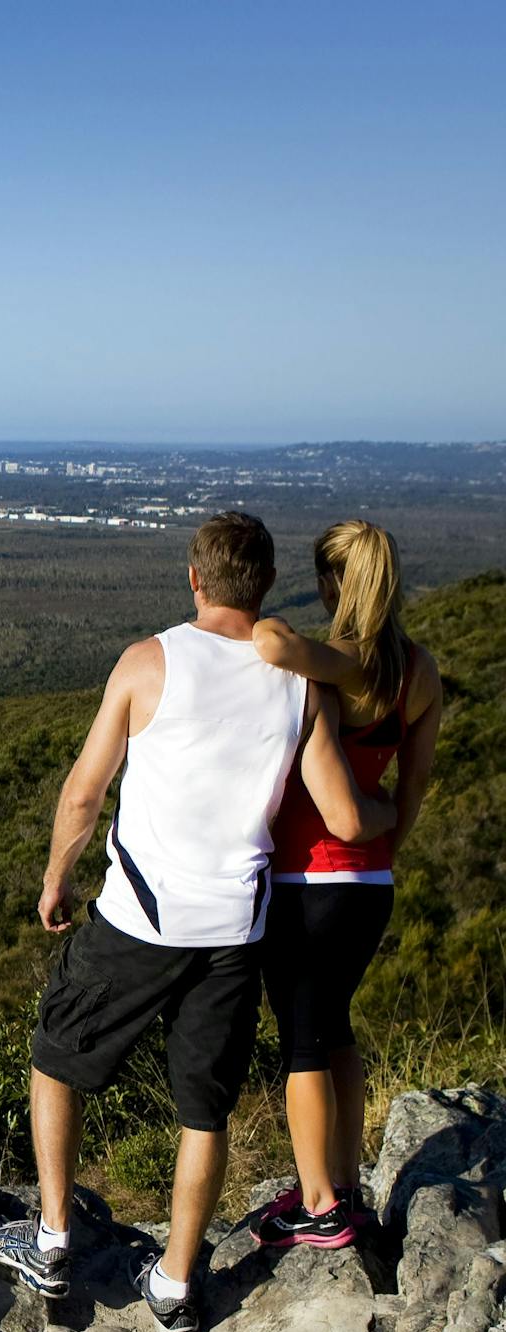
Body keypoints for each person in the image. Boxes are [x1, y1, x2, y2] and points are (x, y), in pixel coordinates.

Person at [0, 512, 395, 1332]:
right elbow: (338, 804)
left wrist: (57, 878)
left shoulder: (148, 661)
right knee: (202, 1111)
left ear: (195, 579)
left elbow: (84, 791)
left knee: (56, 1058)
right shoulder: (302, 686)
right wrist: (398, 808)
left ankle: (53, 1239)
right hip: (235, 931)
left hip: (140, 916)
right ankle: (174, 1284)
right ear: (265, 585)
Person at [248, 521, 442, 1250]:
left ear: (335, 583)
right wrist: (386, 838)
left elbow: (270, 643)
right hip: (370, 883)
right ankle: (345, 1184)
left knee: (301, 1039)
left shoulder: (340, 665)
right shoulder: (420, 671)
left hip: (307, 882)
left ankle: (319, 1204)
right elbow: (412, 787)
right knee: (336, 1029)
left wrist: (295, 637)